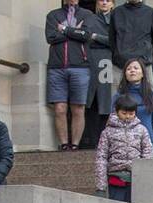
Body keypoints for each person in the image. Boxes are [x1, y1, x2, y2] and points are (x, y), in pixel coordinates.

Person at [47, 0, 98, 151]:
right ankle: (64, 144)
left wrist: (63, 29)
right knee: (59, 108)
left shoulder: (87, 14)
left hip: (80, 67)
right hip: (56, 67)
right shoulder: (53, 15)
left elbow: (86, 35)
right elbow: (50, 37)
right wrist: (74, 31)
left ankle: (75, 145)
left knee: (78, 108)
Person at [95, 94, 153, 201]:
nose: (127, 116)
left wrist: (149, 177)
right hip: (116, 176)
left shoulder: (142, 130)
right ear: (116, 111)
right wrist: (101, 187)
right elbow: (101, 158)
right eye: (124, 113)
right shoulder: (107, 132)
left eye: (131, 113)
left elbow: (148, 154)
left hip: (137, 177)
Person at [84, 0, 117, 149]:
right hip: (91, 62)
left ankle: (107, 141)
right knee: (91, 102)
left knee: (108, 102)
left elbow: (116, 42)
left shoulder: (117, 18)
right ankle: (91, 140)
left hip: (111, 63)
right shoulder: (90, 18)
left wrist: (97, 37)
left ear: (113, 4)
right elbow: (85, 38)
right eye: (101, 0)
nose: (104, 2)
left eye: (108, 0)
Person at [113, 0, 153, 83]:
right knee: (120, 95)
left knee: (146, 95)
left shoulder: (152, 13)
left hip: (145, 66)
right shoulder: (116, 13)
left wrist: (147, 58)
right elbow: (112, 39)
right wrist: (118, 56)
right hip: (120, 67)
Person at [115, 59, 153, 148]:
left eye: (136, 68)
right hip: (123, 145)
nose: (132, 70)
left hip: (148, 144)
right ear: (125, 74)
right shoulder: (118, 96)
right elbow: (113, 120)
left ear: (143, 73)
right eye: (128, 69)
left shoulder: (152, 96)